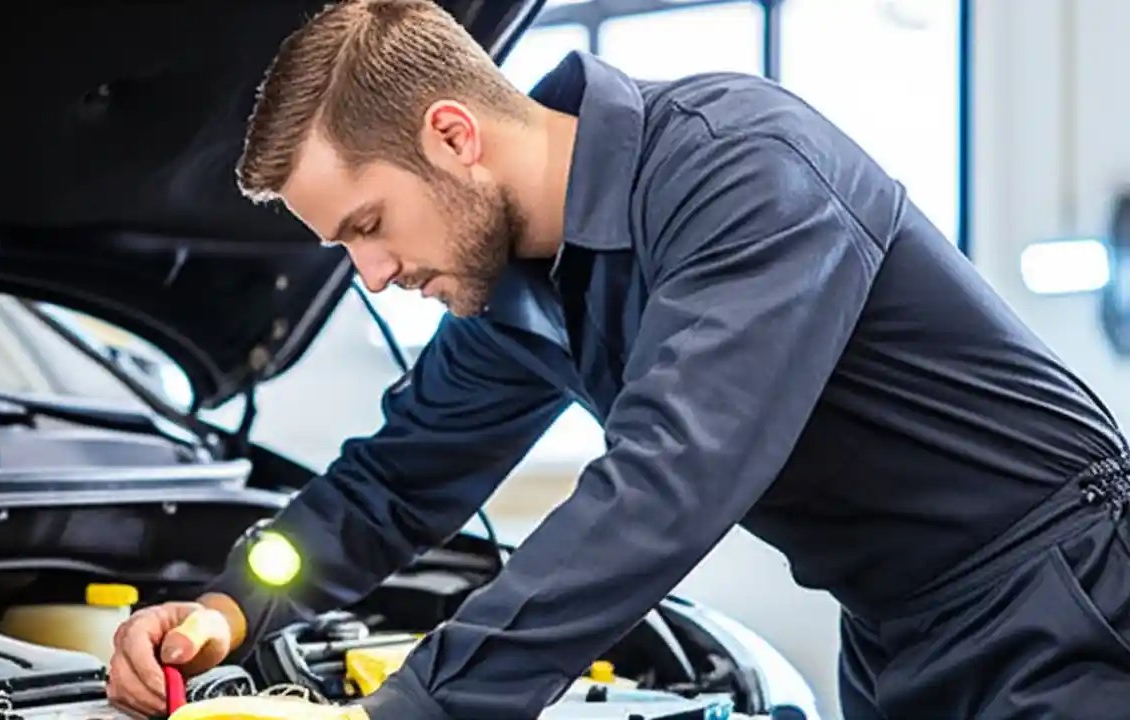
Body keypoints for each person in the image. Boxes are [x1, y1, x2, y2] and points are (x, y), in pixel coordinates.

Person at [104, 1, 1130, 718]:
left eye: (369, 224)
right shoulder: (518, 291)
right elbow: (392, 481)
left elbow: (667, 480)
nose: (370, 275)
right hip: (892, 634)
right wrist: (232, 605)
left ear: (453, 135)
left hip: (1056, 590)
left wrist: (425, 703)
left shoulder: (737, 168)